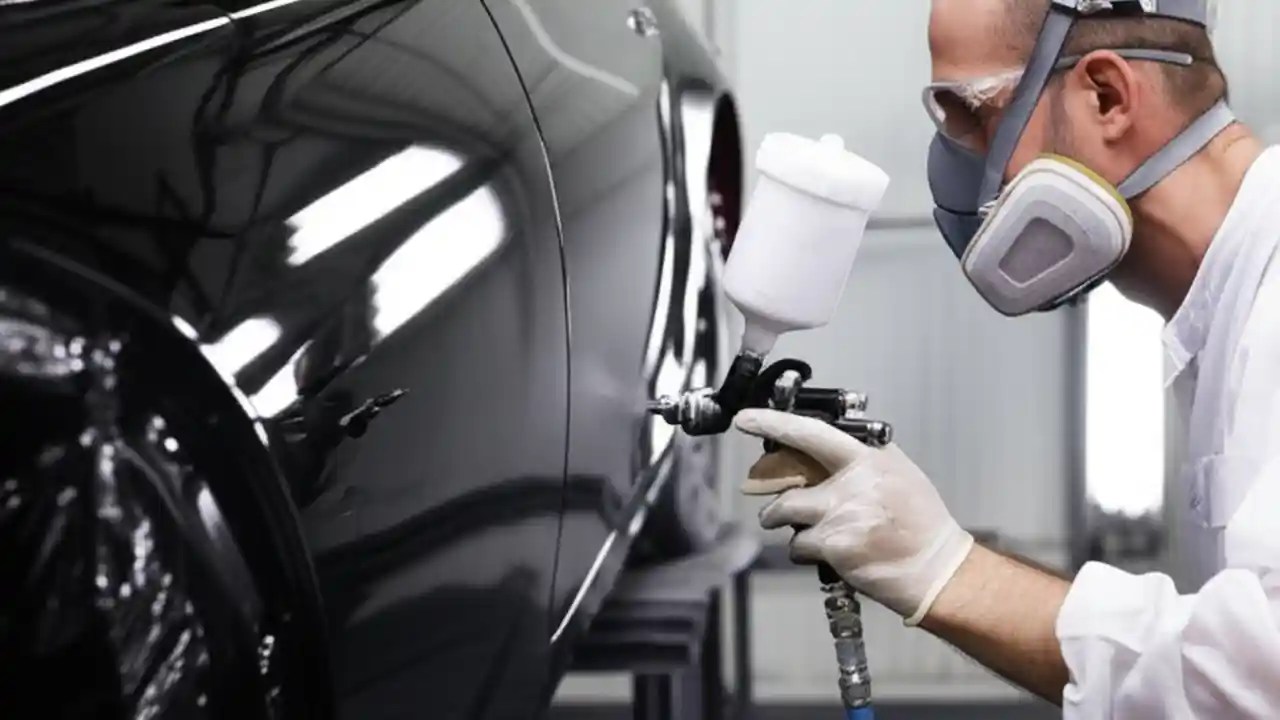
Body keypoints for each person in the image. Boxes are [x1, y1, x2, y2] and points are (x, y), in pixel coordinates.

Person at [736, 0, 1280, 716]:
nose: (956, 166)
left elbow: (1257, 673)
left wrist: (946, 568)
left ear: (1107, 97)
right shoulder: (1230, 301)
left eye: (970, 114)